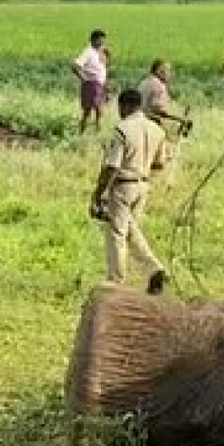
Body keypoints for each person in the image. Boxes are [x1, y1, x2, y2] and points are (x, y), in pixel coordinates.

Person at [90, 88, 169, 294]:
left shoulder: (122, 129)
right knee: (132, 230)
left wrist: (98, 192)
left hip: (124, 184)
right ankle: (154, 268)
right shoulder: (157, 130)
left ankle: (116, 282)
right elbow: (159, 163)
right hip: (143, 184)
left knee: (117, 233)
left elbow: (112, 166)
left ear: (124, 106)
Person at [136, 59, 193, 184]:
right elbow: (159, 109)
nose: (170, 74)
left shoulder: (144, 82)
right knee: (159, 160)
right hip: (152, 124)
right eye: (168, 71)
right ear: (159, 71)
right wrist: (180, 119)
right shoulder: (159, 86)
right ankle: (153, 184)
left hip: (138, 123)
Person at [72, 29, 110, 134]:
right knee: (90, 111)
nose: (102, 42)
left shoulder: (100, 52)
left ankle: (96, 132)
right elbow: (75, 66)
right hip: (92, 84)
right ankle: (83, 133)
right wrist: (85, 80)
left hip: (100, 85)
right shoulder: (88, 52)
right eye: (100, 40)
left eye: (103, 40)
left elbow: (104, 67)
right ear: (93, 40)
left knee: (99, 111)